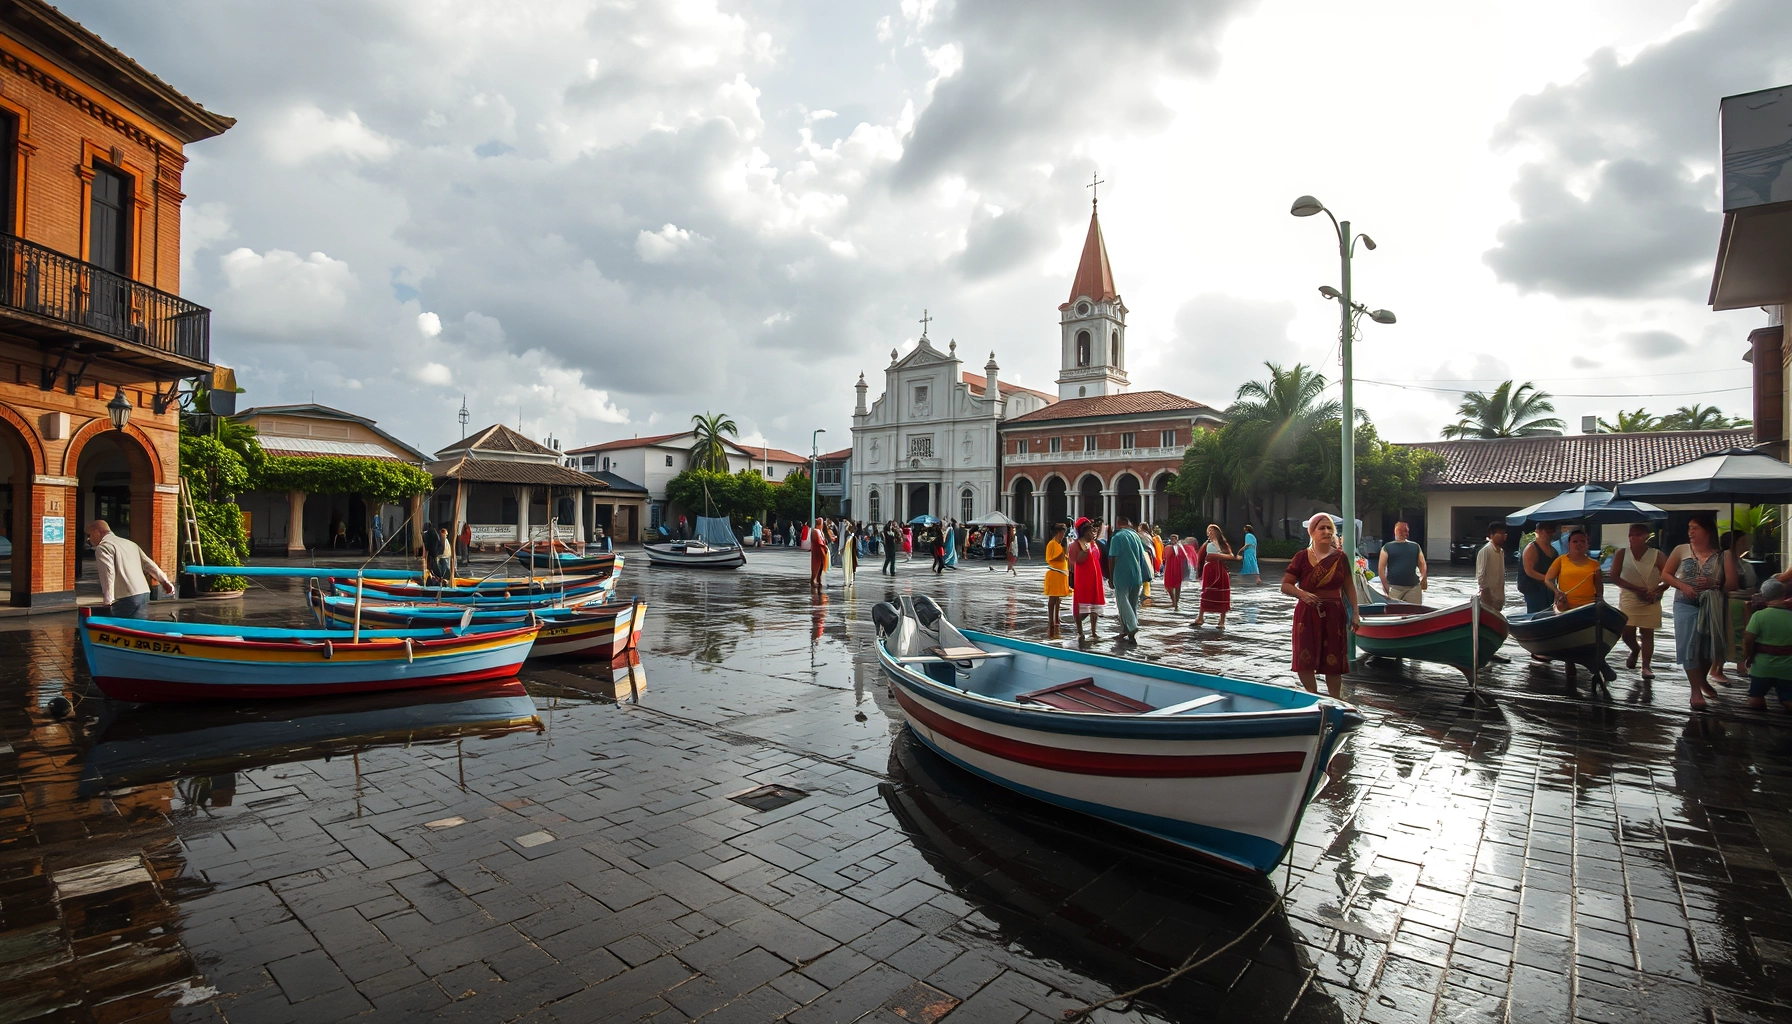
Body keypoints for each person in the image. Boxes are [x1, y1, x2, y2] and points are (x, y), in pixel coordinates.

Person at [1282, 513, 1358, 698]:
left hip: (1334, 613)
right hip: (1307, 613)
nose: (1326, 531)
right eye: (1321, 528)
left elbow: (1349, 585)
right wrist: (1303, 594)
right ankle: (1312, 695)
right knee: (1304, 657)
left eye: (1329, 528)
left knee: (1334, 660)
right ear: (1312, 532)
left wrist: (1355, 613)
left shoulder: (1340, 558)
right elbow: (1286, 585)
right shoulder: (1301, 557)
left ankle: (1335, 699)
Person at [1665, 512, 1734, 710]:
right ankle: (1695, 692)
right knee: (1689, 646)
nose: (1691, 531)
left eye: (1695, 528)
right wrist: (1682, 586)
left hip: (1711, 604)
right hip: (1685, 603)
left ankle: (1702, 680)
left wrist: (1715, 583)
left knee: (1708, 648)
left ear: (1708, 530)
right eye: (1689, 528)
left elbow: (1732, 584)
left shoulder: (1723, 555)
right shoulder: (1681, 550)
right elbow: (1666, 574)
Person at [1545, 529, 1606, 687]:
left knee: (1593, 637)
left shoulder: (1594, 564)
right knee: (1569, 638)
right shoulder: (1561, 561)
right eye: (1575, 541)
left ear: (1587, 544)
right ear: (1569, 544)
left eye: (1582, 542)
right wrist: (1557, 592)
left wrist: (1600, 601)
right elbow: (1548, 579)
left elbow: (1599, 589)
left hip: (1587, 607)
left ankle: (1596, 665)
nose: (1579, 545)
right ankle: (1569, 662)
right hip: (1566, 606)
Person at [1611, 523, 1666, 682]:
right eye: (1630, 534)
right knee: (1627, 632)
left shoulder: (1658, 555)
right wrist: (1634, 589)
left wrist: (1657, 593)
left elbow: (1667, 577)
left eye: (1637, 535)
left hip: (1651, 597)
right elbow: (1614, 576)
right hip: (1629, 597)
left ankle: (1646, 666)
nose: (1632, 538)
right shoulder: (1622, 553)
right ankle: (1635, 650)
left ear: (1646, 537)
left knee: (1647, 632)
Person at [88, 519, 173, 618]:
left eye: (89, 535)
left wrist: (108, 600)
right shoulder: (130, 544)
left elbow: (108, 574)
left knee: (120, 627)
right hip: (143, 593)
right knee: (137, 627)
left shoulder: (103, 547)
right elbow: (149, 564)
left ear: (97, 532)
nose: (89, 539)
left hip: (125, 596)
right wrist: (164, 581)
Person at [1713, 530, 1760, 685]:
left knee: (1744, 633)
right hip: (1727, 603)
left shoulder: (1744, 564)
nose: (1748, 544)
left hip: (1745, 603)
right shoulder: (1721, 560)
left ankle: (1742, 663)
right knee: (1726, 634)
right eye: (1744, 541)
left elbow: (1752, 584)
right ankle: (1717, 667)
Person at [1741, 578, 1792, 713]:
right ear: (1783, 595)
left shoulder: (1759, 616)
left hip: (1762, 668)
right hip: (1788, 668)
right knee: (1788, 699)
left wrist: (1749, 657)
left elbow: (1748, 639)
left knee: (1755, 700)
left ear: (1763, 596)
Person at [1108, 517, 1152, 643]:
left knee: (1122, 601)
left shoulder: (1117, 537)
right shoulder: (1136, 536)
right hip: (1136, 574)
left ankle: (1132, 627)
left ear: (1118, 524)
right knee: (1133, 603)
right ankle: (1127, 631)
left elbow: (1112, 558)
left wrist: (1111, 577)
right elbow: (1142, 557)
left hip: (1122, 573)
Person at [1069, 519, 1106, 646]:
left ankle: (1094, 631)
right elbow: (1076, 560)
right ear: (1084, 531)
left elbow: (1098, 557)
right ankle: (1080, 631)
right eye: (1090, 530)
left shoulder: (1093, 543)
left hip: (1095, 577)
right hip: (1084, 578)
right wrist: (1086, 549)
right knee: (1083, 606)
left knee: (1094, 605)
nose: (1092, 532)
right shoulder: (1077, 544)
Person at [1194, 524, 1235, 630]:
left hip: (1220, 570)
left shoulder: (1223, 544)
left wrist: (1217, 556)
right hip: (1209, 570)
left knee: (1222, 593)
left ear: (1217, 532)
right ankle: (1200, 618)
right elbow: (1202, 557)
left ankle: (1222, 621)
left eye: (1211, 531)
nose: (1209, 533)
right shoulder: (1207, 544)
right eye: (1208, 531)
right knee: (1206, 592)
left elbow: (1231, 556)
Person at [1378, 521, 1427, 605]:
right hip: (1394, 587)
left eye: (1406, 530)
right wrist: (1384, 584)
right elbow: (1381, 568)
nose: (1403, 532)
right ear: (1395, 531)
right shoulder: (1387, 547)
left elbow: (1422, 563)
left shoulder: (1415, 546)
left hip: (1413, 588)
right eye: (1400, 530)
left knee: (1415, 612)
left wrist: (1423, 578)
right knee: (1395, 613)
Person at [1043, 522, 1071, 640]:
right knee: (1052, 598)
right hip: (1054, 573)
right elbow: (1053, 558)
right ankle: (1050, 620)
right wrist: (1065, 549)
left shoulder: (1059, 544)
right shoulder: (1052, 544)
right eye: (1062, 533)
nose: (1063, 535)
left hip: (1061, 574)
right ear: (1059, 533)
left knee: (1058, 598)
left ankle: (1056, 618)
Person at [1162, 533, 1186, 612]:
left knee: (1177, 585)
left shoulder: (1180, 547)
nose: (1173, 540)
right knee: (1169, 584)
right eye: (1172, 538)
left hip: (1177, 567)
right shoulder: (1168, 547)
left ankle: (1176, 602)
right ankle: (1173, 601)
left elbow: (1184, 557)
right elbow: (1165, 557)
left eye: (1175, 538)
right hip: (1169, 567)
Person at [809, 518, 831, 590]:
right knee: (816, 566)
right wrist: (824, 547)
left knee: (821, 566)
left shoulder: (820, 531)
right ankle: (814, 580)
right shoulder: (815, 531)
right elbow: (819, 541)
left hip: (821, 552)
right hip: (817, 552)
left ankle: (819, 579)